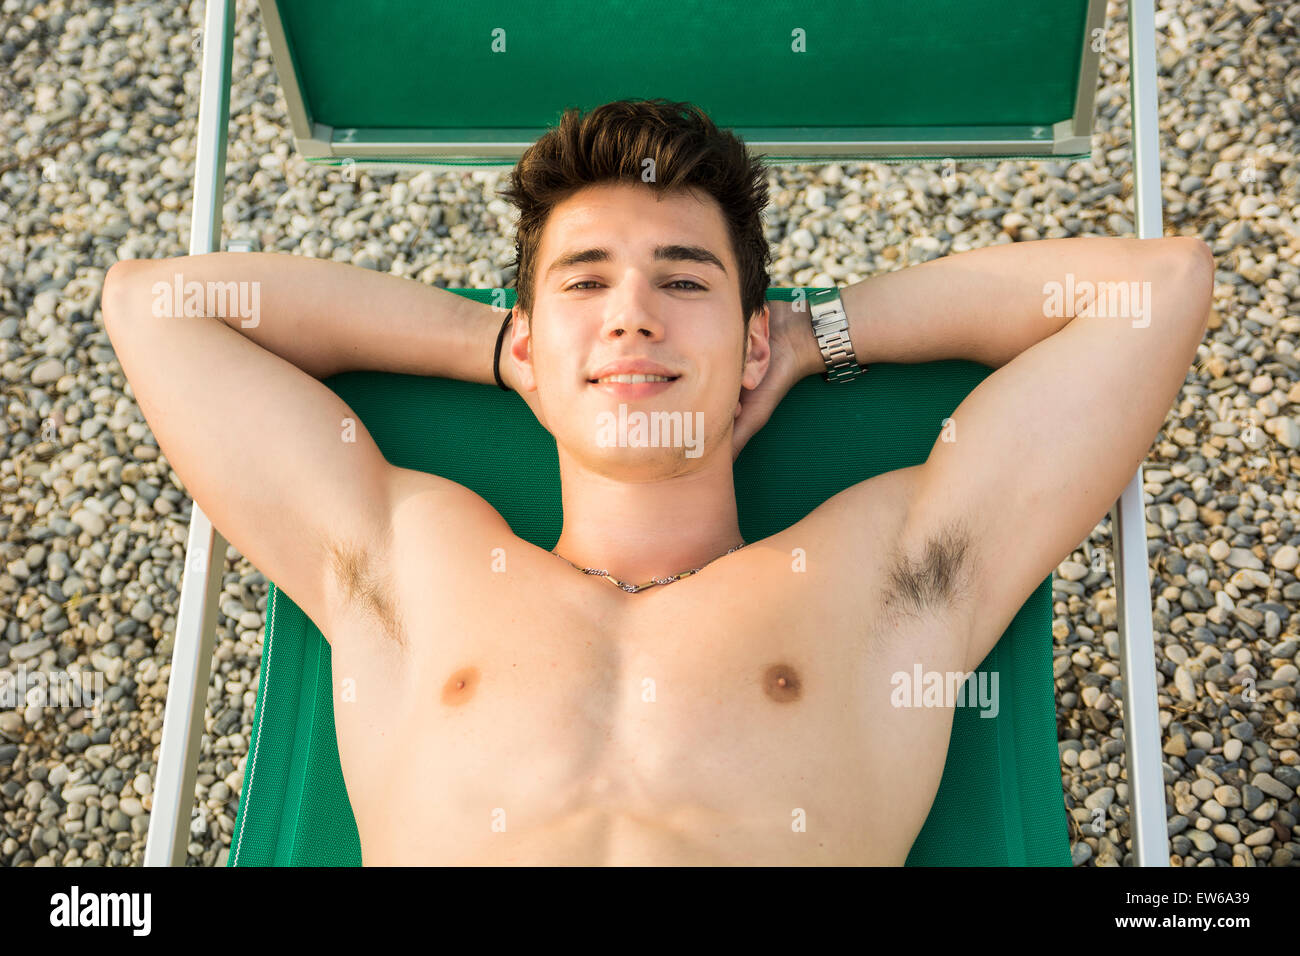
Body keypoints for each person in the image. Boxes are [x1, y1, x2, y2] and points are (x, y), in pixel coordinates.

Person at [102, 98, 1213, 865]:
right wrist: (496, 347)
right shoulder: (411, 562)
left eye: (683, 280)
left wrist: (821, 330)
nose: (633, 310)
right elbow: (160, 308)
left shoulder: (881, 574)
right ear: (534, 342)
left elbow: (1156, 289)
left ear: (749, 344)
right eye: (586, 282)